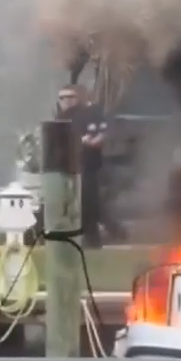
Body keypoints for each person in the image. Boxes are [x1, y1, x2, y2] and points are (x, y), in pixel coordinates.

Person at [55, 84, 122, 248]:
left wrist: (88, 142)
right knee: (88, 204)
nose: (66, 101)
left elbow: (103, 134)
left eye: (70, 97)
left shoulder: (90, 113)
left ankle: (93, 240)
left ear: (79, 97)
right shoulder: (60, 118)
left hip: (89, 166)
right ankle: (116, 231)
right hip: (67, 167)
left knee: (89, 203)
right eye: (62, 98)